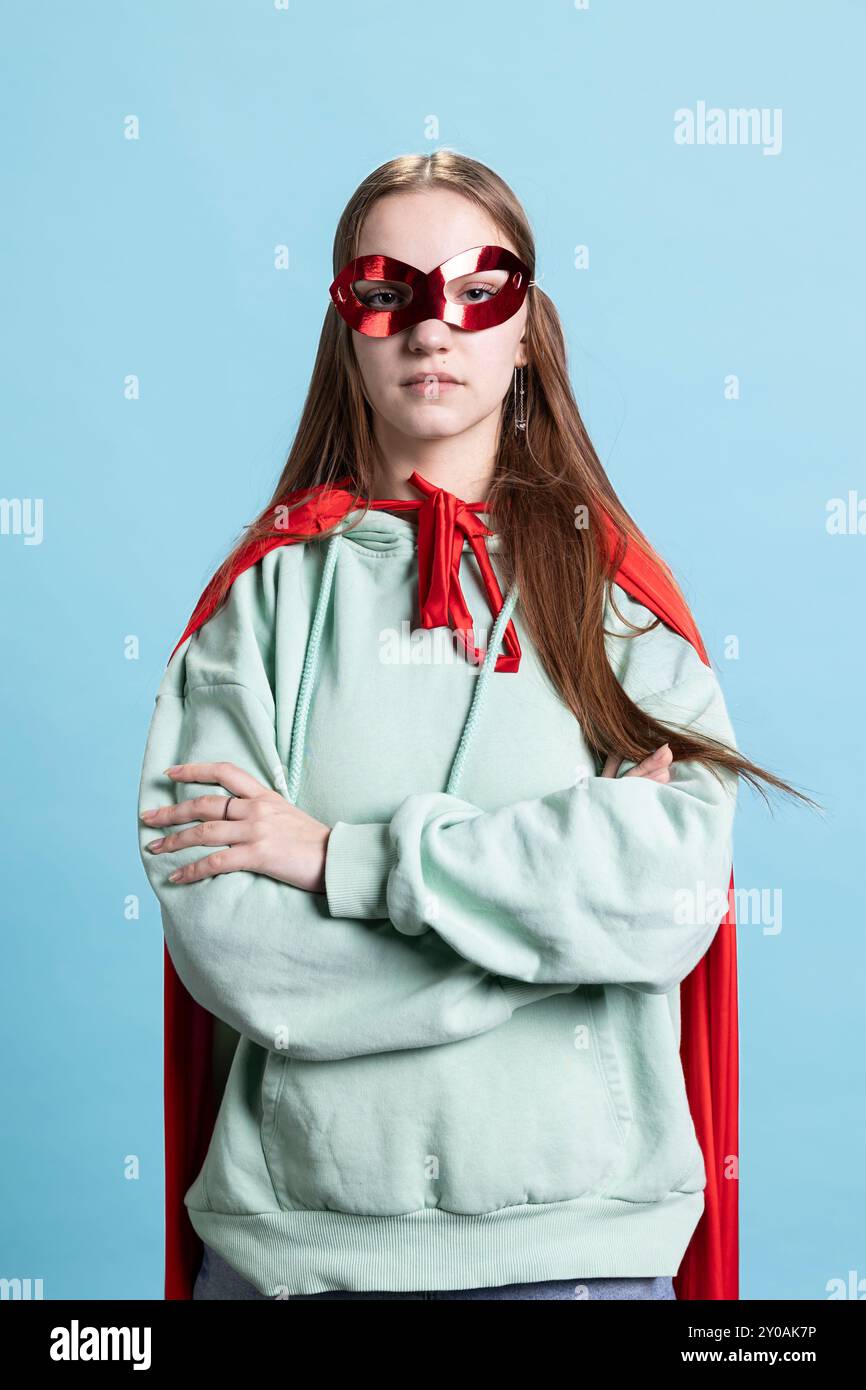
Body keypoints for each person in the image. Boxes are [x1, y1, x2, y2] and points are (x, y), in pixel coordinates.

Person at [136, 150, 813, 1302]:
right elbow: (232, 946)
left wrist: (338, 858)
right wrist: (546, 947)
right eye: (387, 289)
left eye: (476, 287)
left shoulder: (610, 594)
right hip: (294, 1260)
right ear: (347, 321)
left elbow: (671, 893)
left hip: (576, 1259)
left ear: (525, 328)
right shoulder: (259, 604)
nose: (430, 327)